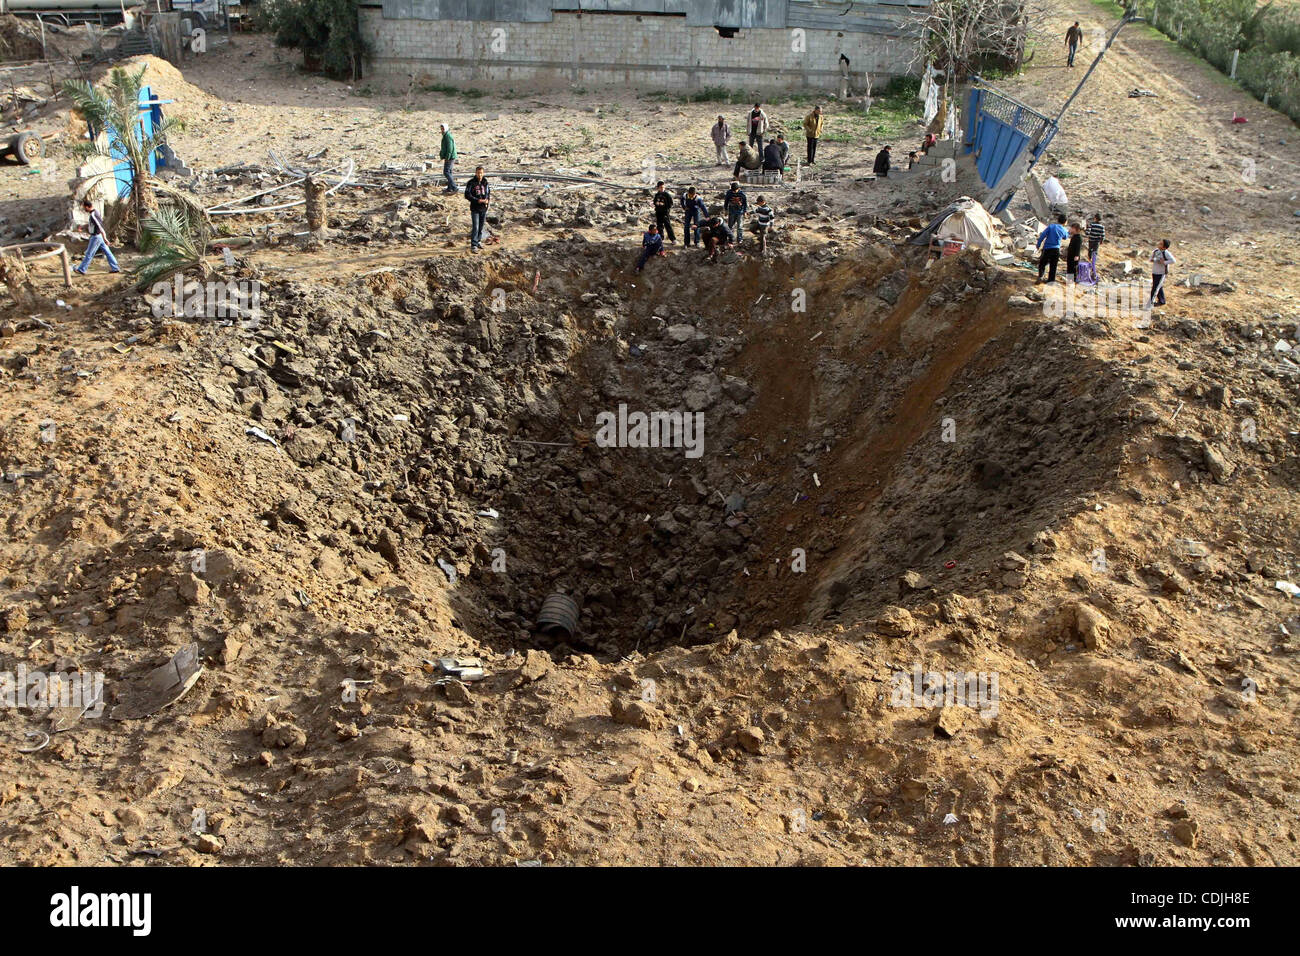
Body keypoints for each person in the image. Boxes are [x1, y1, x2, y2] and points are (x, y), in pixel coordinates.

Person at [74, 199, 119, 275]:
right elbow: (92, 225)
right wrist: (83, 226)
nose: (84, 209)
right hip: (98, 237)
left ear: (87, 207)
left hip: (96, 237)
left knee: (89, 253)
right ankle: (115, 267)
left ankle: (82, 269)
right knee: (107, 252)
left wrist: (105, 238)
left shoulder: (93, 215)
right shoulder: (94, 213)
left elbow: (100, 227)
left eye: (84, 207)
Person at [464, 166, 491, 251]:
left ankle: (478, 241)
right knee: (475, 226)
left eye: (481, 173)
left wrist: (487, 202)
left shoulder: (485, 182)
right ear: (476, 173)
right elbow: (467, 195)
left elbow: (488, 193)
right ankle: (473, 244)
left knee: (481, 226)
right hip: (475, 208)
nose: (480, 175)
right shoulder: (471, 183)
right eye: (478, 173)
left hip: (483, 208)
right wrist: (477, 200)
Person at [1035, 213, 1068, 283]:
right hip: (1056, 250)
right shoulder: (1064, 230)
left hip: (1047, 248)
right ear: (1065, 222)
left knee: (1042, 263)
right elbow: (1065, 237)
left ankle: (1041, 276)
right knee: (1053, 266)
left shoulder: (1051, 226)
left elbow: (1042, 235)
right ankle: (1051, 281)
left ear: (1058, 220)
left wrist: (1038, 244)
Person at [1148, 239, 1175, 308]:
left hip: (1162, 272)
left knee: (1155, 287)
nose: (1159, 244)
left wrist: (1164, 262)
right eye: (1159, 243)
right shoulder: (1155, 251)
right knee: (1158, 286)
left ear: (1164, 247)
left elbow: (1173, 260)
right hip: (1155, 271)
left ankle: (1151, 302)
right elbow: (1150, 259)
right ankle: (1162, 301)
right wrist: (1155, 259)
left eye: (1161, 244)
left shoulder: (1166, 253)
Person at [439, 122, 457, 194]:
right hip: (449, 156)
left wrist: (447, 157)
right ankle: (450, 188)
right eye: (441, 128)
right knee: (449, 172)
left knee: (446, 172)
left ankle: (454, 187)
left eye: (443, 128)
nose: (442, 130)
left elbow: (450, 148)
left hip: (450, 157)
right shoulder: (445, 135)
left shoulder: (448, 136)